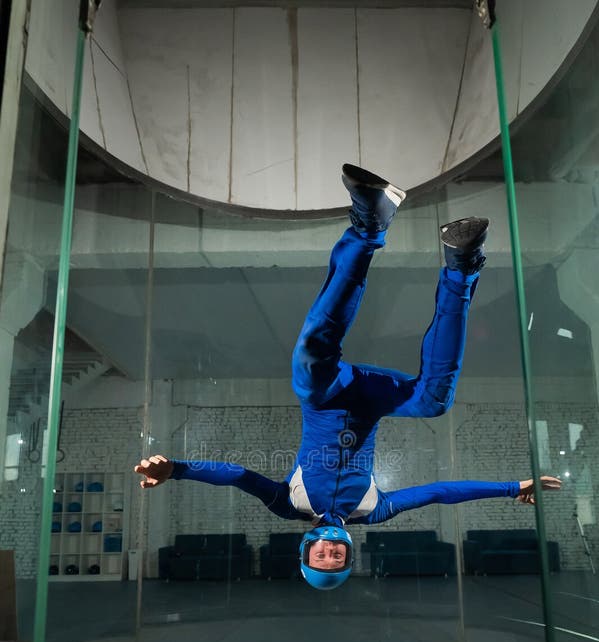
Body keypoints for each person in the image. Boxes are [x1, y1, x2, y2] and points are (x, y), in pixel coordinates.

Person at [135, 164, 561, 590]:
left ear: (306, 550)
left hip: (326, 395)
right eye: (336, 558)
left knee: (310, 355)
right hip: (373, 400)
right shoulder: (374, 510)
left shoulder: (288, 504)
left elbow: (238, 475)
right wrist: (511, 488)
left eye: (320, 556)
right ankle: (462, 267)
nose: (329, 549)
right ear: (348, 553)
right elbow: (438, 492)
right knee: (434, 401)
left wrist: (177, 469)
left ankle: (369, 226)